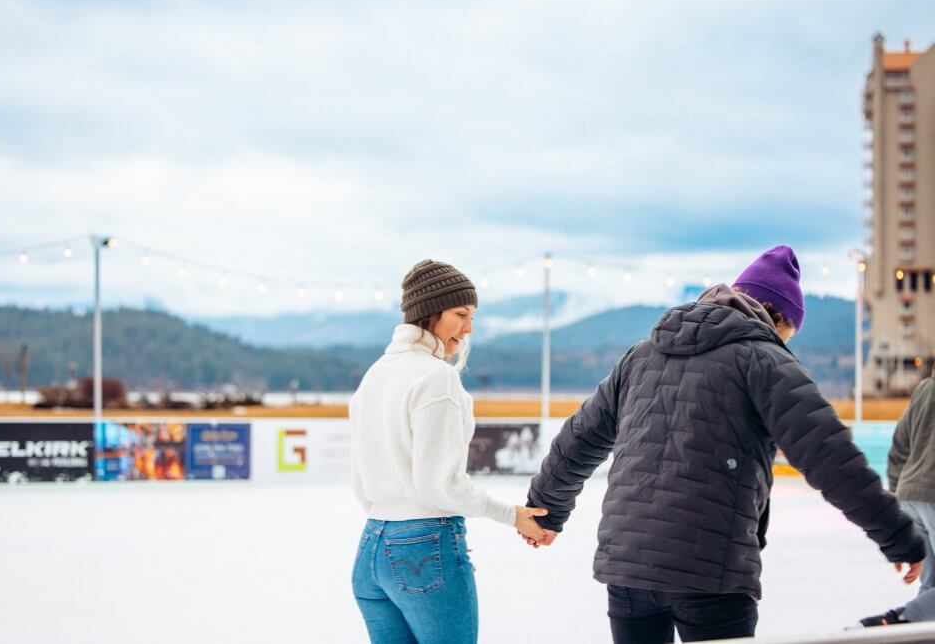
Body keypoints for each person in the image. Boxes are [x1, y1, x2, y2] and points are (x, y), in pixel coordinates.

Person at [525, 245, 925, 643]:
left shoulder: (642, 355)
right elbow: (831, 458)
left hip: (628, 568)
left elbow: (580, 437)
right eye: (790, 332)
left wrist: (546, 510)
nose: (787, 341)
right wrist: (898, 537)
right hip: (710, 571)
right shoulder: (767, 360)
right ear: (780, 319)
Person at [349, 259, 550, 644]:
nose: (469, 328)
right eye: (461, 314)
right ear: (431, 312)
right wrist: (510, 516)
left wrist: (401, 532)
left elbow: (361, 479)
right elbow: (438, 484)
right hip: (422, 548)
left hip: (371, 548)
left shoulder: (376, 374)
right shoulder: (435, 378)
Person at [858, 367, 935, 627]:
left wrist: (898, 508)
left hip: (911, 495)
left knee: (931, 587)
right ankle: (891, 623)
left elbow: (899, 449)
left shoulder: (925, 388)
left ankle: (910, 631)